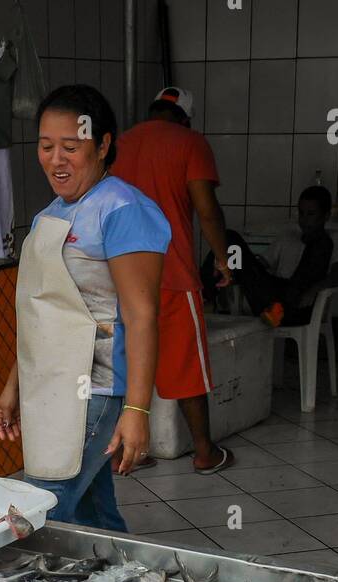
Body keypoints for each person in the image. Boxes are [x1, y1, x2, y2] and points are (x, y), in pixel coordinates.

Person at [0, 85, 169, 531]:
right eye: (46, 146)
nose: (56, 159)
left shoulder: (122, 210)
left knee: (41, 510)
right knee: (95, 514)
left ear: (104, 144)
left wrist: (137, 411)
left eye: (71, 147)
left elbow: (142, 315)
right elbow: (41, 315)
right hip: (50, 385)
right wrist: (15, 384)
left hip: (97, 389)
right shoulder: (50, 214)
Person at [113, 86, 236, 474]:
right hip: (171, 273)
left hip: (118, 275)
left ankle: (126, 452)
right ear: (184, 117)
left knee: (125, 362)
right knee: (186, 368)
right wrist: (222, 257)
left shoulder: (119, 143)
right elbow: (206, 208)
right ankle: (204, 453)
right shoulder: (190, 142)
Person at [205, 186, 338, 327]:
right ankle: (208, 295)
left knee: (230, 238)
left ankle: (206, 297)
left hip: (287, 309)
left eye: (311, 214)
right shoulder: (306, 240)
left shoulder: (324, 243)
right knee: (230, 243)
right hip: (281, 300)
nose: (304, 220)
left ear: (326, 216)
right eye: (301, 213)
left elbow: (334, 277)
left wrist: (312, 291)